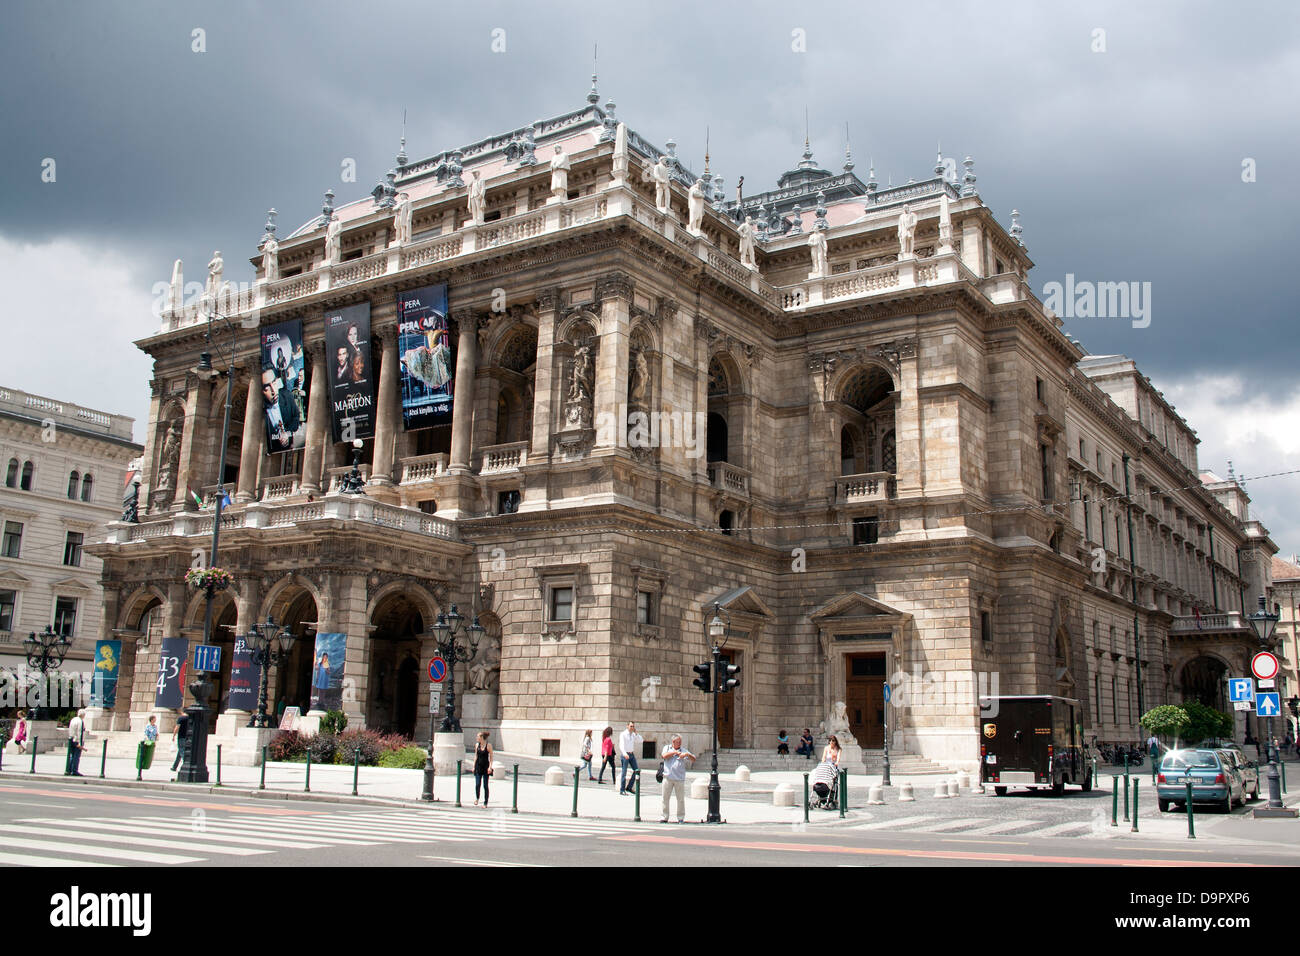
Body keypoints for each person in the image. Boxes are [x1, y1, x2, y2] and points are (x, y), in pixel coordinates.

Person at [659, 734, 696, 823]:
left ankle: (680, 817)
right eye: (677, 742)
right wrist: (674, 753)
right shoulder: (667, 748)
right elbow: (664, 756)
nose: (679, 744)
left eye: (680, 742)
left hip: (679, 778)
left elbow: (693, 759)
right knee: (665, 798)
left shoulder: (683, 750)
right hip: (668, 777)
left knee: (680, 799)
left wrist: (687, 754)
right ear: (673, 742)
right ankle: (664, 816)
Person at [618, 721, 642, 795]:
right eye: (631, 726)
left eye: (633, 726)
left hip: (631, 754)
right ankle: (622, 790)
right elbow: (621, 745)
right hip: (625, 755)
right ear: (627, 726)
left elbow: (641, 740)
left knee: (636, 770)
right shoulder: (623, 734)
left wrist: (636, 733)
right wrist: (625, 754)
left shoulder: (633, 735)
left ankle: (629, 787)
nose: (632, 728)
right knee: (624, 772)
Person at [473, 731, 493, 806]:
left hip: (485, 767)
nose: (476, 738)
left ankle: (485, 802)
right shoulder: (477, 745)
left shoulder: (488, 745)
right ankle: (477, 798)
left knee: (485, 785)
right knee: (477, 784)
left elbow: (491, 757)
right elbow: (476, 756)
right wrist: (474, 766)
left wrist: (490, 767)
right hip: (478, 767)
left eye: (477, 737)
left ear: (481, 738)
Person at [65, 708, 86, 776]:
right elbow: (80, 732)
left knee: (72, 755)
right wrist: (80, 743)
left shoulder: (73, 719)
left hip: (72, 739)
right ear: (83, 715)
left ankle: (69, 769)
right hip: (77, 741)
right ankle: (74, 770)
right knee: (76, 756)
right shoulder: (80, 721)